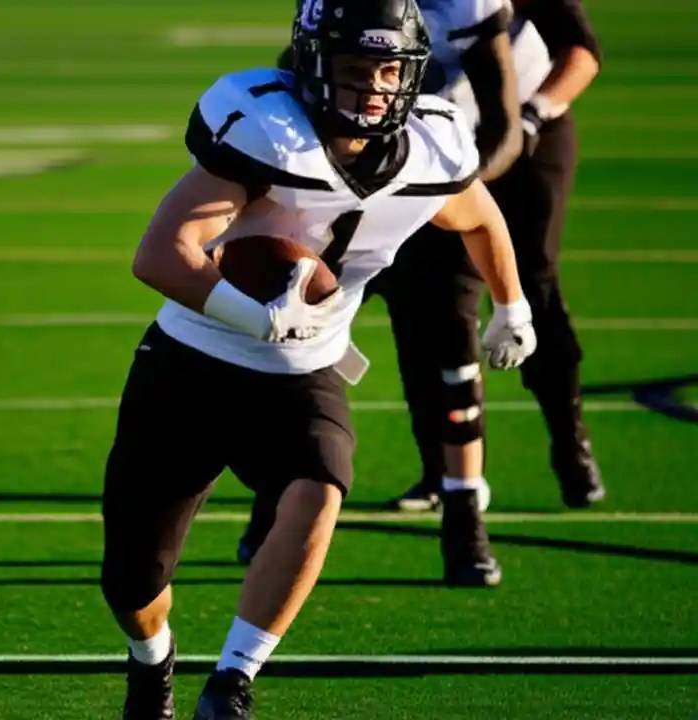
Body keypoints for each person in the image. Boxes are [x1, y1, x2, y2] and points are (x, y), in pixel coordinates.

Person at [98, 1, 537, 718]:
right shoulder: (268, 132)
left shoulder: (430, 148)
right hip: (193, 358)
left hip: (306, 370)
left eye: (390, 68)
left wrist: (511, 305)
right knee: (133, 579)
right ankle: (153, 661)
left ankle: (233, 681)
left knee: (321, 484)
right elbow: (159, 254)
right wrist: (255, 313)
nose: (374, 86)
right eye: (357, 67)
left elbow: (479, 216)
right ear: (312, 65)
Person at [239, 0, 528, 587]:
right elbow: (298, 75)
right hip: (335, 194)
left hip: (425, 184)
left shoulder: (465, 9)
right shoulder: (334, 9)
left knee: (454, 366)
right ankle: (272, 500)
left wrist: (430, 188)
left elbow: (503, 125)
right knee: (287, 355)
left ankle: (465, 521)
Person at [387, 0, 606, 517]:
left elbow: (582, 52)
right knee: (426, 301)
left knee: (532, 281)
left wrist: (533, 115)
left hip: (528, 133)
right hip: (431, 142)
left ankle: (569, 439)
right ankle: (439, 468)